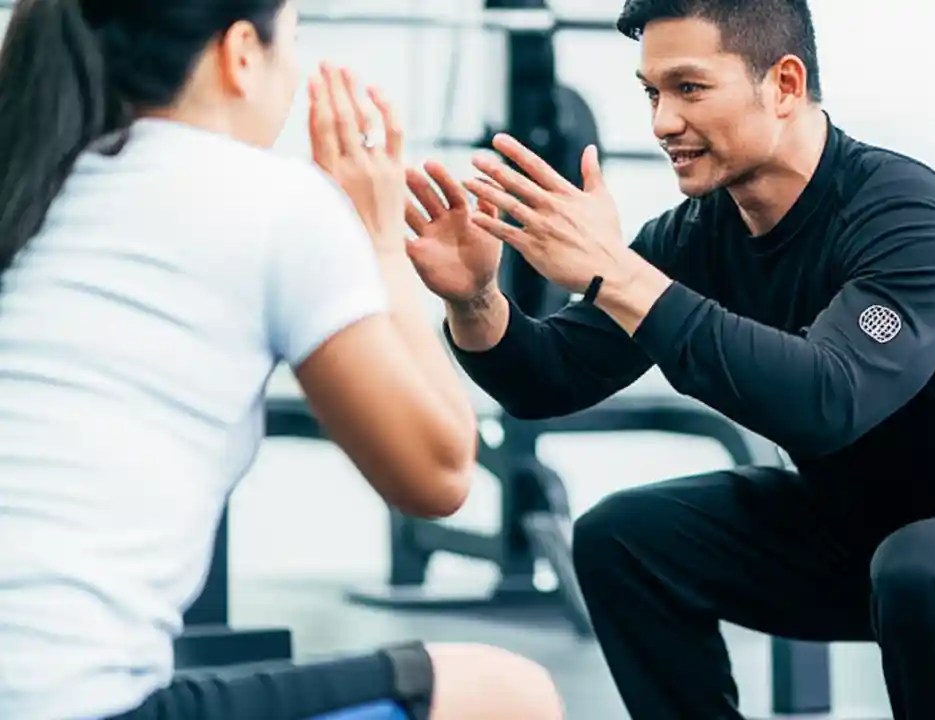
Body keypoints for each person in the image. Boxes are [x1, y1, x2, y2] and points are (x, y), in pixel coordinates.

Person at [403, 0, 935, 718]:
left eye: (689, 88)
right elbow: (549, 379)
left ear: (785, 84)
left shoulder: (912, 222)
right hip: (862, 534)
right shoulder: (698, 235)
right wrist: (476, 299)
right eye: (653, 93)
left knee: (925, 571)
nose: (662, 123)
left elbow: (827, 402)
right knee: (622, 540)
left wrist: (618, 274)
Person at [0, 1, 564, 718]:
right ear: (241, 53)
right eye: (292, 42)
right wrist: (378, 239)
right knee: (506, 696)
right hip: (64, 705)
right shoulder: (271, 201)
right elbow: (442, 475)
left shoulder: (24, 186)